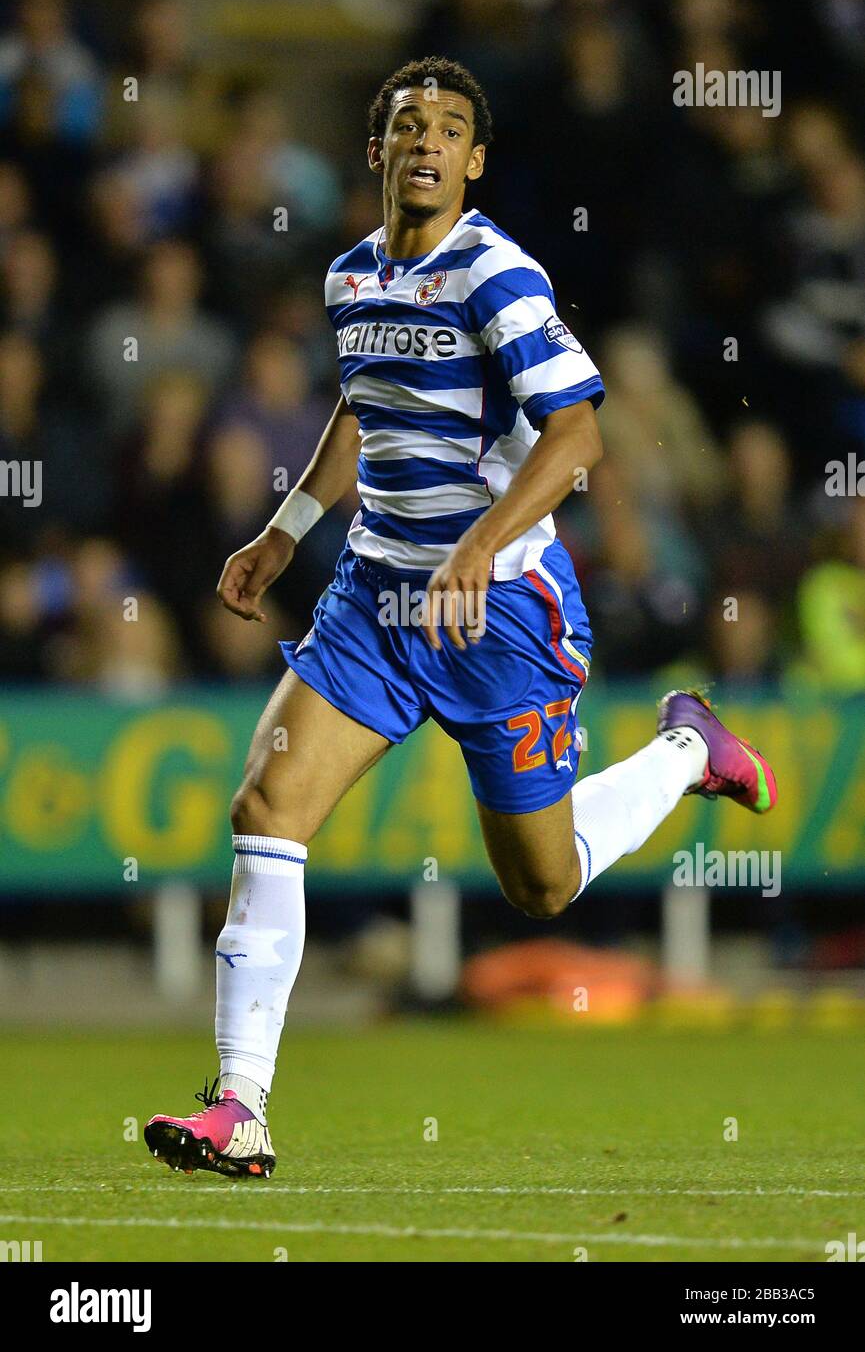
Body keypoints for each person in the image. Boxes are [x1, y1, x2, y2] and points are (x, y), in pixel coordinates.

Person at [145, 57, 777, 1180]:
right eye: (407, 124)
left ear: (473, 161)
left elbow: (578, 435)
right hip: (376, 603)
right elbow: (362, 407)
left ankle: (687, 748)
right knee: (267, 805)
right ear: (376, 151)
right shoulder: (349, 277)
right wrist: (286, 529)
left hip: (502, 614)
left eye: (447, 128)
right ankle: (240, 1106)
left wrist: (479, 547)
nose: (426, 141)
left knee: (541, 884)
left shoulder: (497, 273)